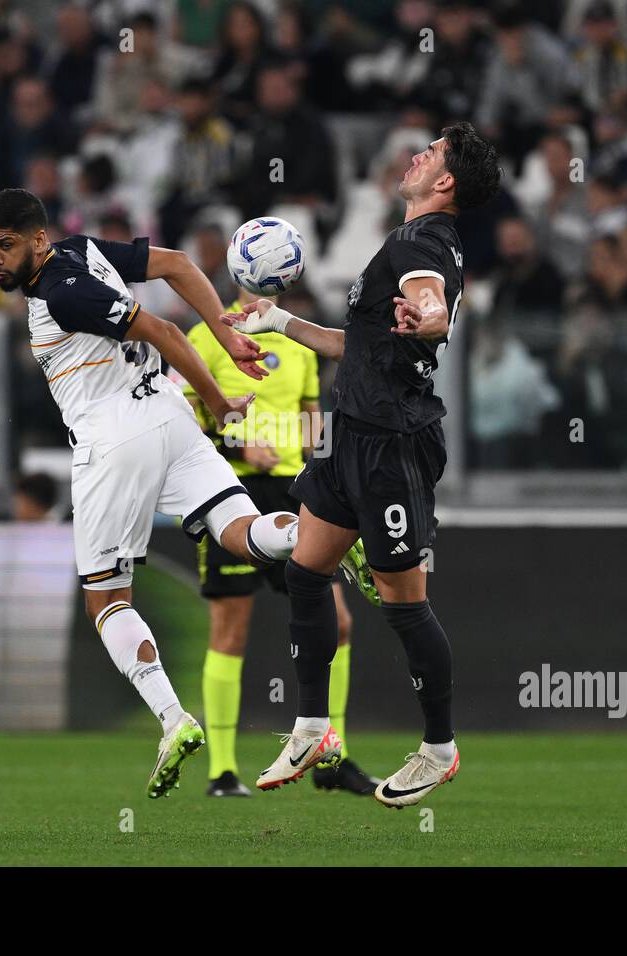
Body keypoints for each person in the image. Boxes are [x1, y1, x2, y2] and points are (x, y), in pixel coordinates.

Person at [0, 188, 373, 799]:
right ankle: (322, 533)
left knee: (105, 599)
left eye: (5, 246)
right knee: (242, 533)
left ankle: (173, 719)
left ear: (37, 240)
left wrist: (217, 399)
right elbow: (179, 265)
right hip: (166, 415)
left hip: (113, 439)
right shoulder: (84, 250)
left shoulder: (61, 290)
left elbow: (158, 326)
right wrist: (227, 333)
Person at [226, 122, 502, 807]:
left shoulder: (422, 241)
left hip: (391, 445)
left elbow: (429, 301)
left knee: (405, 606)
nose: (418, 153)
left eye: (432, 152)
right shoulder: (411, 238)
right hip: (349, 431)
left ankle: (439, 749)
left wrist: (430, 318)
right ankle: (315, 727)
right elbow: (360, 343)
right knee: (305, 571)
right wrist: (281, 323)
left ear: (445, 183)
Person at [184, 284, 380, 798]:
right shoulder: (205, 337)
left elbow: (312, 415)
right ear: (240, 274)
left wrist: (330, 469)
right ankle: (222, 772)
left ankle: (330, 758)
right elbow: (182, 418)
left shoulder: (296, 339)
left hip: (297, 493)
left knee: (337, 622)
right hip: (230, 489)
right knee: (231, 628)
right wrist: (235, 438)